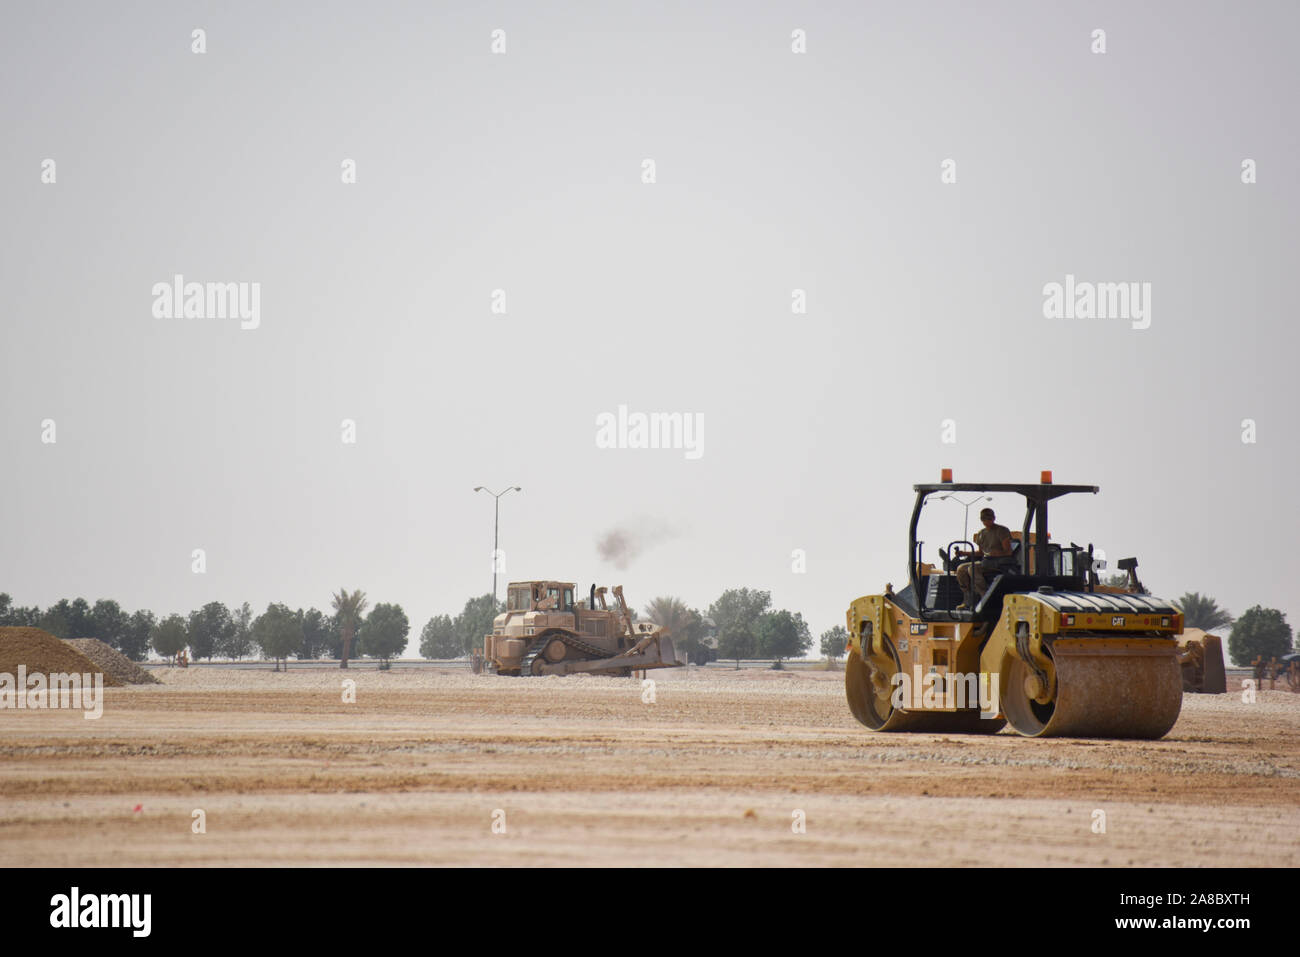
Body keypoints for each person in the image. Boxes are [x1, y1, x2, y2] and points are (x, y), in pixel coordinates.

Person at [955, 508, 1014, 610]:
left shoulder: (1001, 531)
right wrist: (963, 553)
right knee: (961, 568)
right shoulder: (981, 533)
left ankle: (985, 598)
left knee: (973, 568)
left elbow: (1008, 551)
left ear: (993, 518)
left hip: (999, 563)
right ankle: (967, 600)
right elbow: (981, 553)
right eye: (984, 519)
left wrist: (997, 553)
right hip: (986, 562)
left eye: (989, 518)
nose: (986, 521)